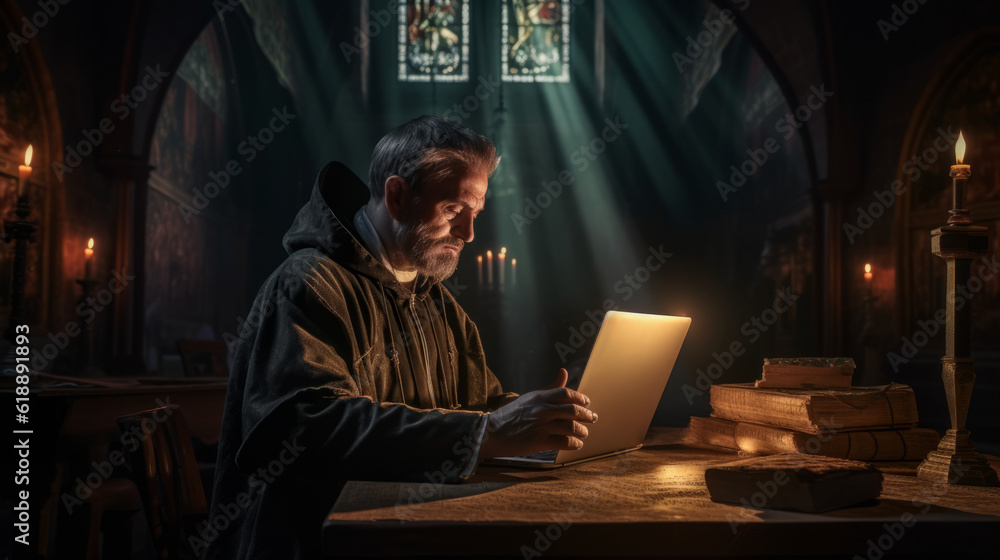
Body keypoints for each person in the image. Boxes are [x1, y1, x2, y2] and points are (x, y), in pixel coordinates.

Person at [202, 116, 597, 559]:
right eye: (454, 211)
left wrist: (543, 417)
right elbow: (304, 426)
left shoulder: (438, 302)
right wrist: (487, 432)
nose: (468, 234)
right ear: (397, 195)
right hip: (311, 544)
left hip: (405, 531)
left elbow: (477, 405)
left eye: (475, 215)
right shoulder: (309, 283)